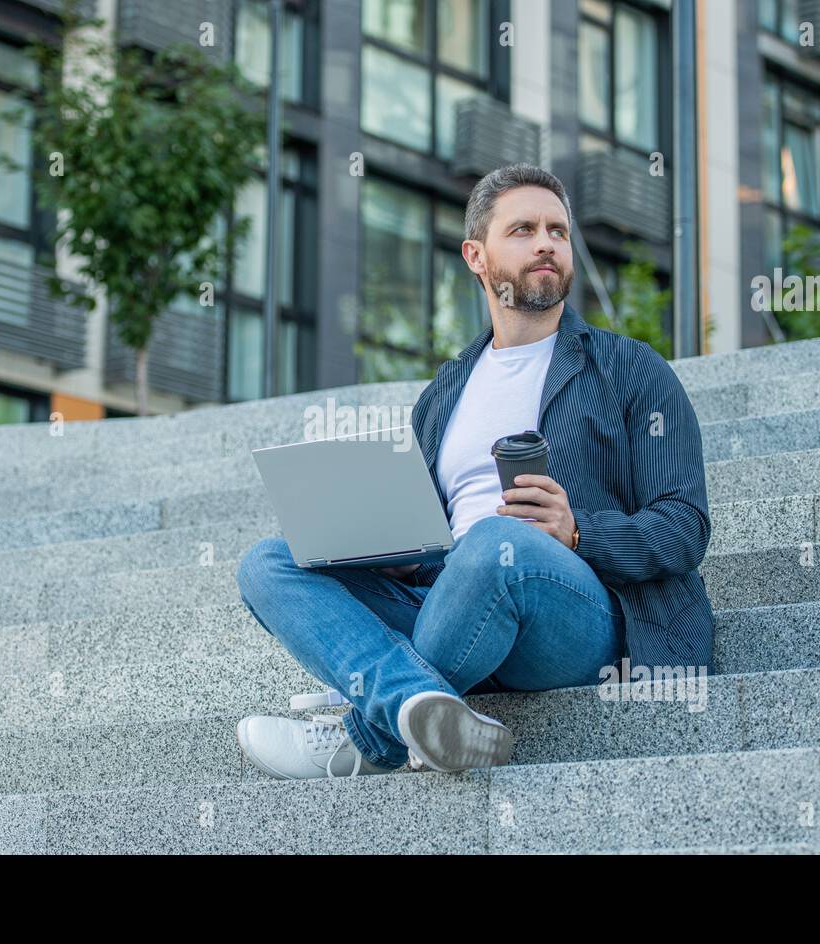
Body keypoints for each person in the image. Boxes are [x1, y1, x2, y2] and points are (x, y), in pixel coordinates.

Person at [235, 163, 715, 779]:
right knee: (270, 562)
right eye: (523, 230)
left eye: (558, 231)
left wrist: (576, 533)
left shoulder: (630, 369)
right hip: (453, 606)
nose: (546, 242)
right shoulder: (444, 393)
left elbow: (685, 525)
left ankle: (364, 734)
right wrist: (400, 554)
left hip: (580, 618)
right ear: (476, 256)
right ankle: (419, 705)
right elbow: (435, 542)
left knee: (495, 544)